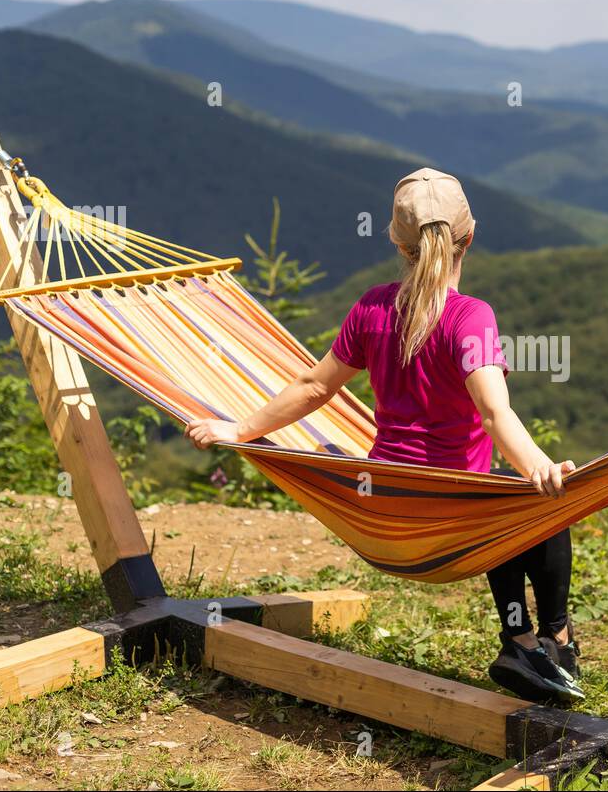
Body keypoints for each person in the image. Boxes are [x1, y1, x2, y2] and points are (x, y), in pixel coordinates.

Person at [185, 168, 583, 702]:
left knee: (505, 507)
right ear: (470, 235)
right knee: (540, 506)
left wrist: (242, 428)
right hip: (454, 513)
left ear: (398, 242)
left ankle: (521, 642)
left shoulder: (373, 307)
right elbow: (494, 413)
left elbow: (312, 387)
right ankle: (555, 637)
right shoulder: (471, 318)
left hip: (386, 507)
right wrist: (540, 467)